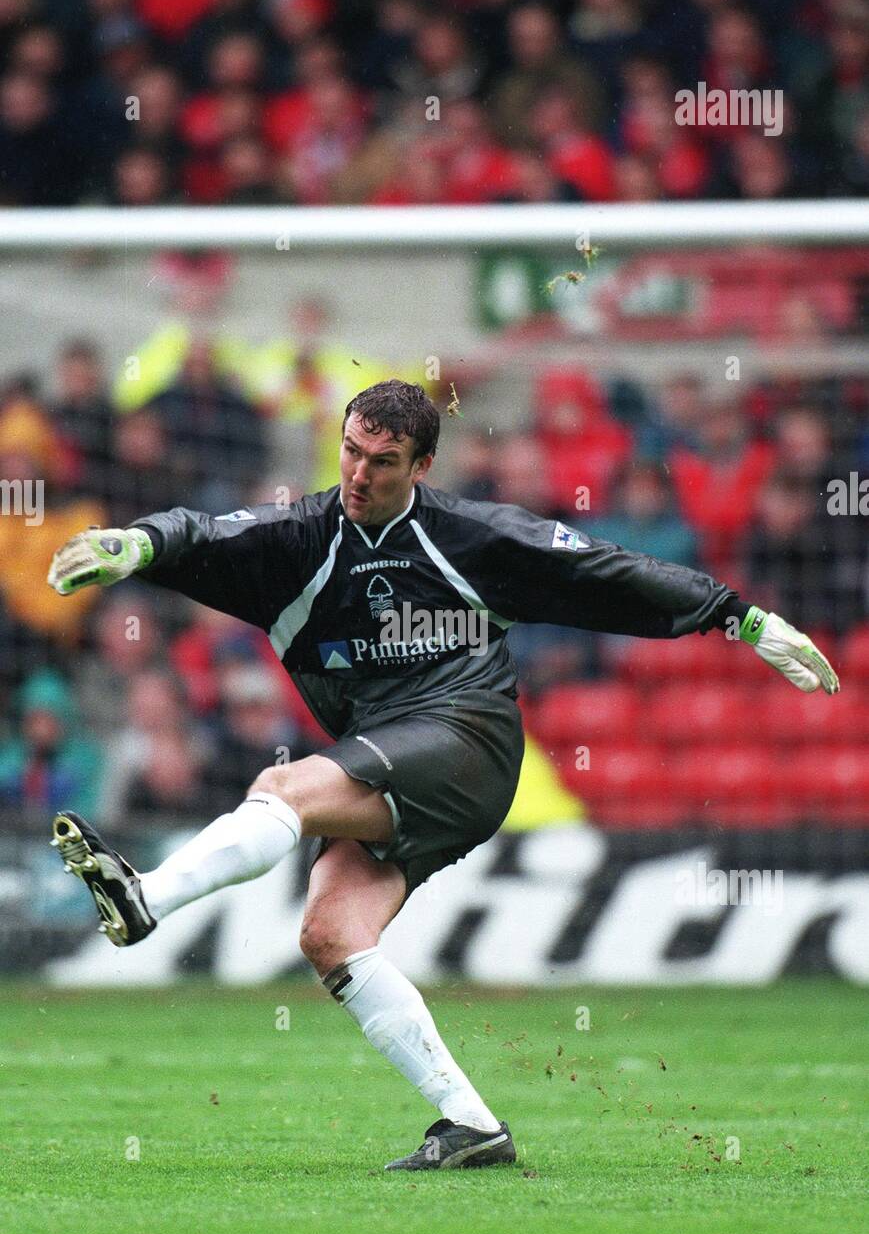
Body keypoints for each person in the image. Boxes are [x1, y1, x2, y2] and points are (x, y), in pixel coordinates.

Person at [45, 379, 839, 1171]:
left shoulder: (473, 538)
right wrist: (134, 545)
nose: (359, 475)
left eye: (382, 462)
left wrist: (740, 616)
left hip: (468, 738)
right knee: (329, 935)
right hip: (389, 753)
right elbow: (196, 532)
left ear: (421, 465)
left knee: (283, 790)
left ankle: (146, 898)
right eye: (351, 453)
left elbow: (602, 569)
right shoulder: (296, 540)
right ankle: (472, 1127)